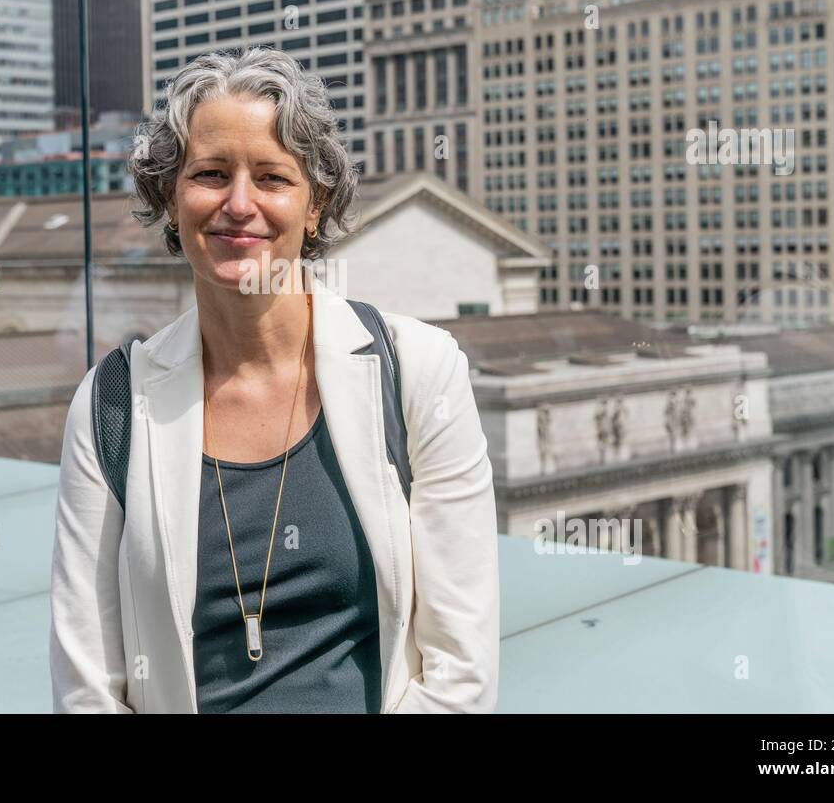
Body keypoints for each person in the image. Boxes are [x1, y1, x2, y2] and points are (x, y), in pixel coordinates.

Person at [49, 45, 499, 713]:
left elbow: (461, 672)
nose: (239, 203)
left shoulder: (419, 374)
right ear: (171, 202)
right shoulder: (111, 405)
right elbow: (87, 685)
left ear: (314, 207)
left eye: (272, 177)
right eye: (209, 173)